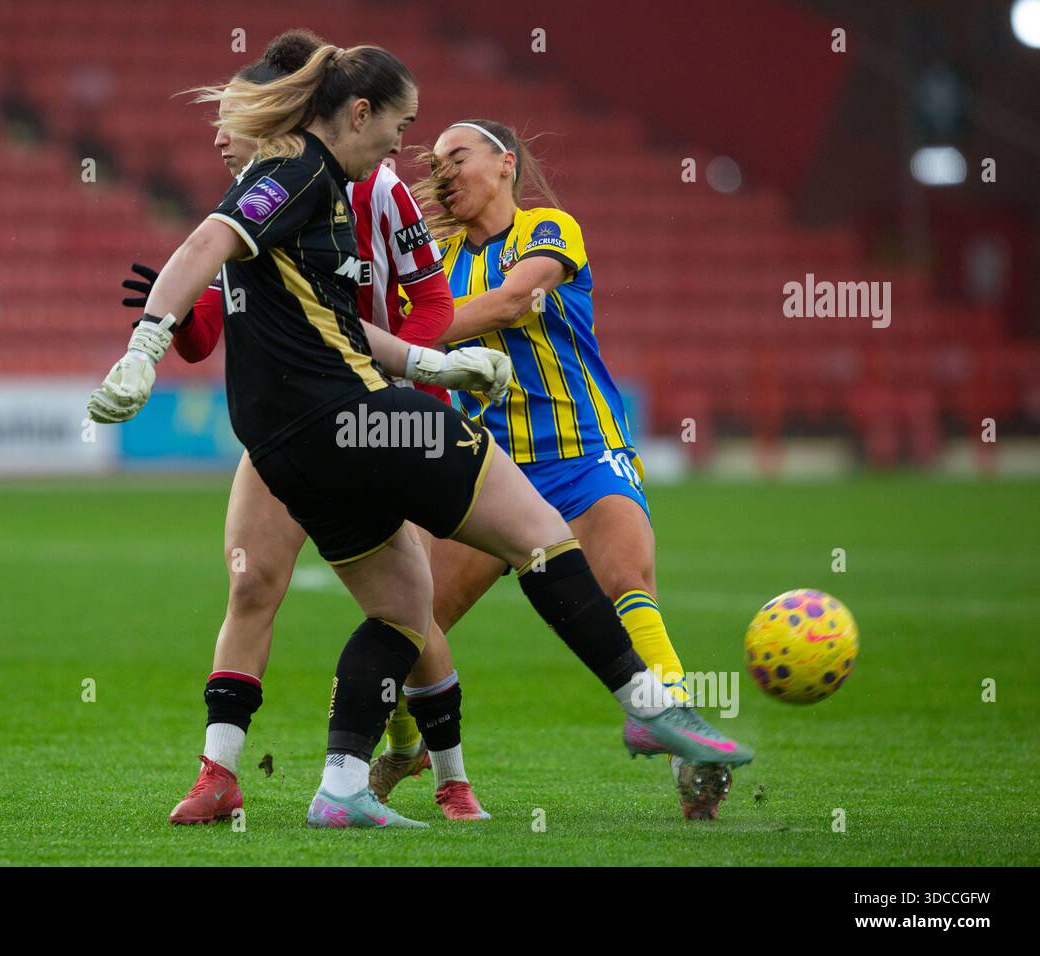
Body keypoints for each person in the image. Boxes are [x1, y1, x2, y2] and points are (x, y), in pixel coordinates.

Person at [89, 42, 752, 829]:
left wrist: (442, 368)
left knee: (406, 614)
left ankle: (342, 789)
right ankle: (646, 704)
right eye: (400, 128)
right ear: (359, 113)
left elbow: (341, 328)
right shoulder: (300, 172)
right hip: (361, 420)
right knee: (539, 530)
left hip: (287, 451)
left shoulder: (321, 190)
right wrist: (145, 347)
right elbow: (204, 245)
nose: (404, 151)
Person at [118, 31, 490, 823]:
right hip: (293, 428)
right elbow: (214, 329)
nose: (219, 134)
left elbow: (431, 299)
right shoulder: (255, 201)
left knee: (408, 605)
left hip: (375, 414)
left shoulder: (371, 187)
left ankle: (451, 776)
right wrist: (175, 321)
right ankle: (219, 774)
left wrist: (411, 380)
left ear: (278, 117)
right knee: (254, 583)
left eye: (233, 117)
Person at [391, 118, 735, 819]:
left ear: (505, 163)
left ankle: (684, 751)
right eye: (436, 163)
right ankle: (405, 745)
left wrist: (409, 337)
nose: (444, 171)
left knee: (627, 581)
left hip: (584, 452)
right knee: (411, 619)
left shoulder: (550, 229)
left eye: (458, 156)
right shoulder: (438, 259)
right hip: (492, 468)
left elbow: (516, 299)